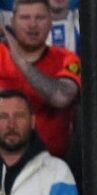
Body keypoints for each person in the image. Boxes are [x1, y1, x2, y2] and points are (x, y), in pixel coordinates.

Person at [0, 0, 80, 158]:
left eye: (40, 18)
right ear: (12, 22)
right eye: (25, 18)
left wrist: (19, 58)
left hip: (53, 164)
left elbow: (61, 97)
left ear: (51, 22)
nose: (32, 25)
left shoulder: (67, 59)